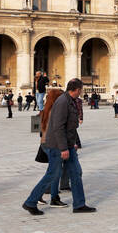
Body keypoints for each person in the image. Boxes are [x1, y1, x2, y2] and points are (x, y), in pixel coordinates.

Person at [24, 81, 95, 214]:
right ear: (77, 89)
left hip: (67, 144)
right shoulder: (63, 102)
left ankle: (79, 204)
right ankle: (30, 202)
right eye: (81, 89)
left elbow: (70, 127)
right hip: (57, 146)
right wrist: (63, 148)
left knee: (76, 173)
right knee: (52, 174)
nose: (82, 92)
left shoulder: (71, 101)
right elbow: (58, 127)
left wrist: (72, 143)